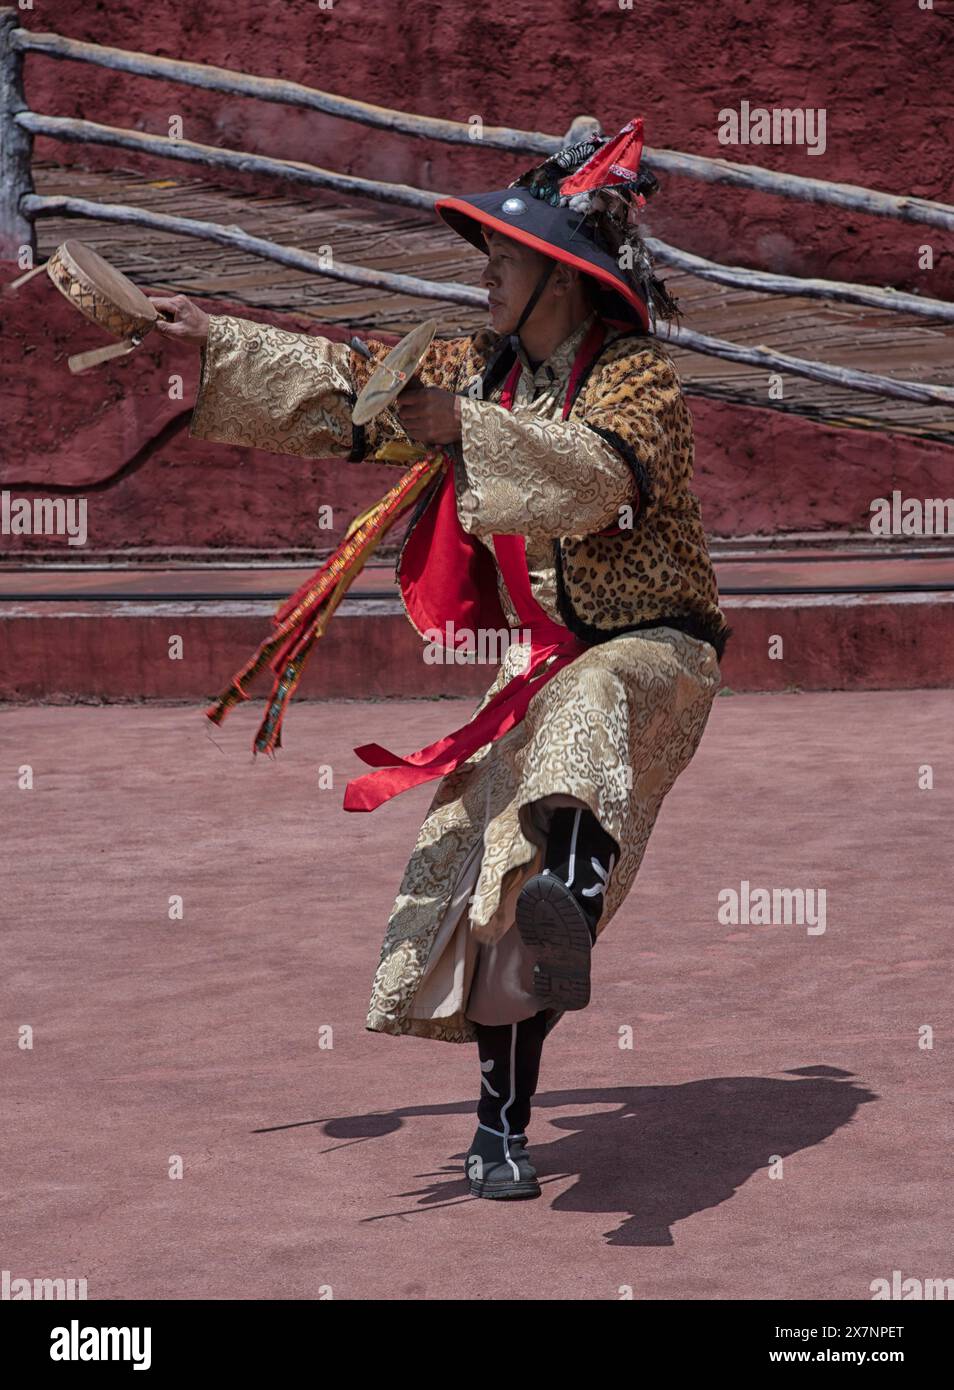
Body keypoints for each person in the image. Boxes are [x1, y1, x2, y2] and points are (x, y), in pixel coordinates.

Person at [153, 115, 730, 1201]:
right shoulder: (485, 369)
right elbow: (356, 392)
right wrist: (208, 344)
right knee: (491, 887)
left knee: (591, 706)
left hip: (653, 652)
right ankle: (502, 1119)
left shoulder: (638, 380)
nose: (487, 271)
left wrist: (462, 425)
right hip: (538, 669)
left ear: (561, 274)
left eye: (505, 255)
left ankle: (571, 883)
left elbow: (595, 477)